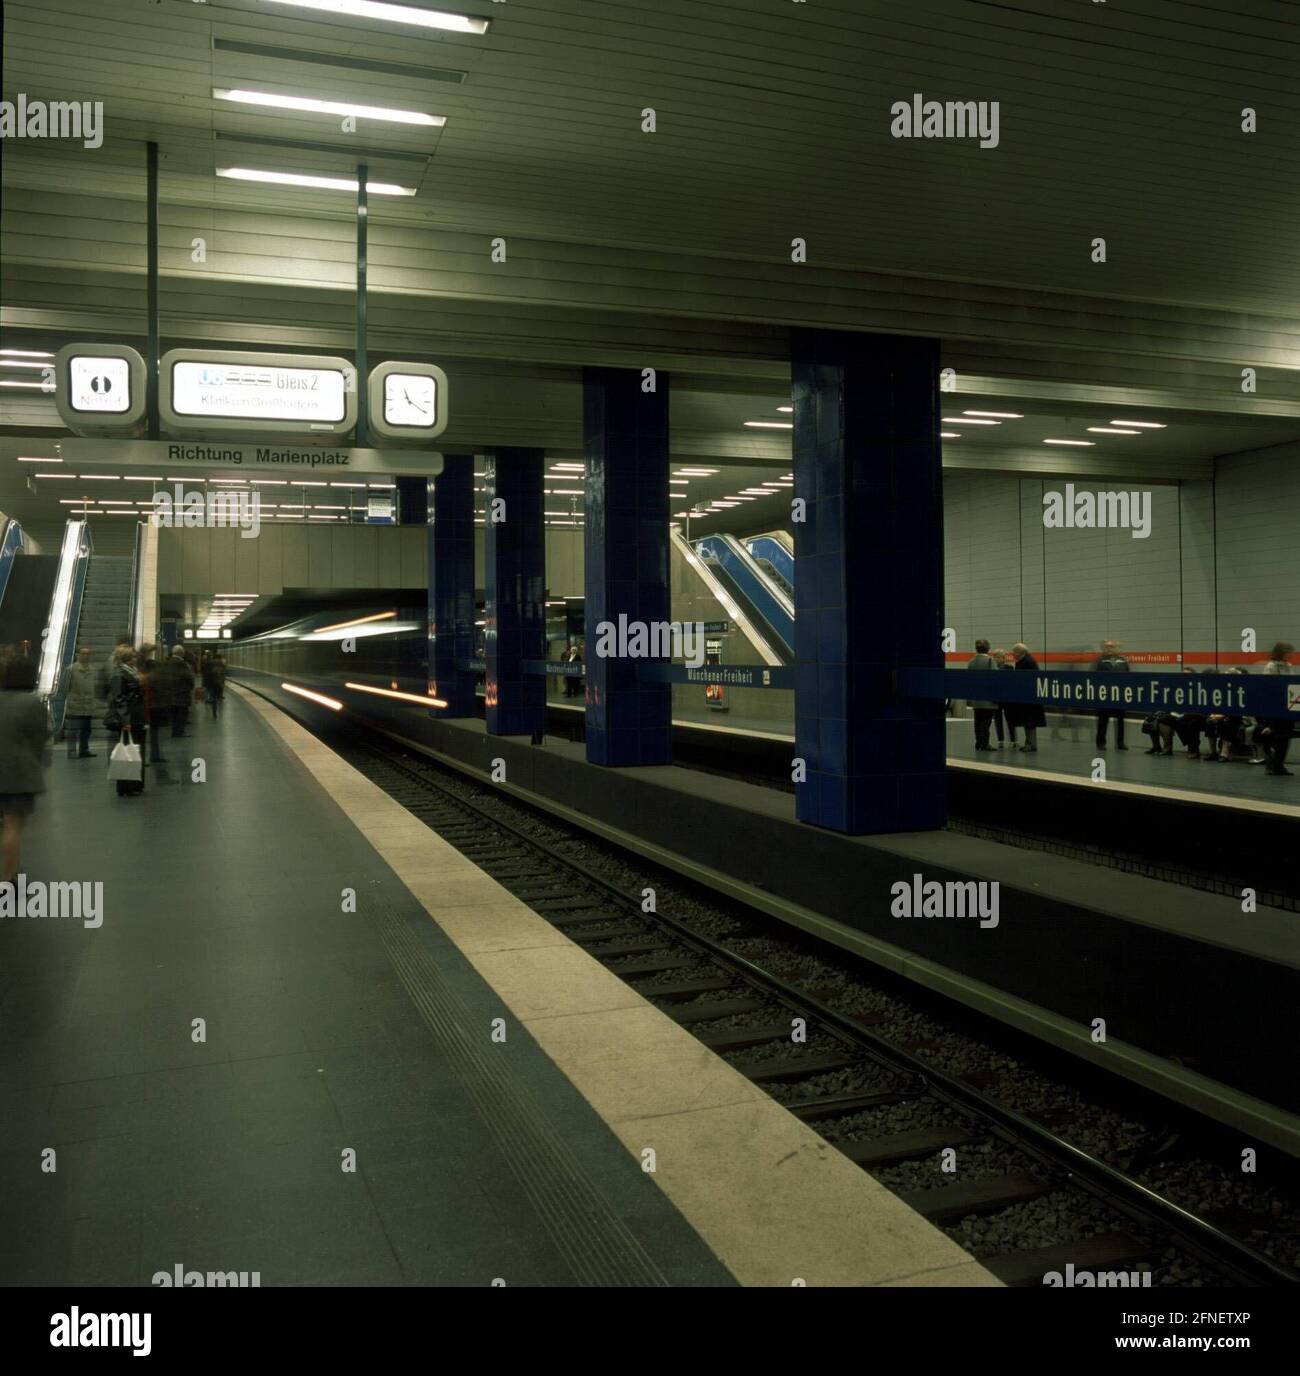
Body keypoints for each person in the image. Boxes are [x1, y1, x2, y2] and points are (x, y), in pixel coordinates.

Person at [0, 656, 50, 882]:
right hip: (17, 773)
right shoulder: (32, 704)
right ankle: (7, 877)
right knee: (12, 826)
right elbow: (40, 738)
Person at [104, 645, 147, 796]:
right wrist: (125, 720)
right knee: (128, 753)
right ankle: (126, 786)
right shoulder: (119, 674)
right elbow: (119, 699)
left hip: (136, 716)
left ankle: (135, 784)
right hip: (128, 718)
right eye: (133, 657)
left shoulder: (131, 672)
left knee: (134, 751)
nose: (135, 659)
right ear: (126, 658)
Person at [1256, 641, 1295, 777]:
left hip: (1288, 705)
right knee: (1276, 737)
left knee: (1285, 737)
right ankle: (1271, 765)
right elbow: (1268, 686)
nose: (1289, 655)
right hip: (1275, 705)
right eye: (1287, 652)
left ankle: (1280, 764)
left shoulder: (1289, 666)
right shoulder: (1271, 666)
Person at [60, 646, 100, 759]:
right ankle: (72, 751)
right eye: (83, 653)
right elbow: (64, 687)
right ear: (78, 655)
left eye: (88, 654)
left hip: (88, 706)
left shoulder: (92, 670)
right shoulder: (70, 669)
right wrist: (71, 698)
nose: (85, 656)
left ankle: (84, 749)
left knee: (86, 730)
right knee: (73, 731)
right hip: (75, 705)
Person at [1092, 640, 1130, 749]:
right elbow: (1092, 677)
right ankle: (1101, 742)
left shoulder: (1123, 661)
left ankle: (1120, 743)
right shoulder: (1099, 661)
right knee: (1103, 721)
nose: (1109, 649)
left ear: (1116, 648)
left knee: (1120, 721)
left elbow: (1129, 677)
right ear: (1103, 648)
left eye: (1112, 647)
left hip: (1119, 696)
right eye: (1107, 647)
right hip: (1104, 696)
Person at [1010, 643, 1045, 752]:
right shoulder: (1027, 660)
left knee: (1029, 721)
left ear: (1020, 652)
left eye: (1014, 652)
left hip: (1028, 698)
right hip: (1029, 697)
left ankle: (1030, 744)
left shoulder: (1027, 662)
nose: (1013, 654)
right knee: (1029, 722)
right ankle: (1029, 743)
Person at [966, 639, 998, 751]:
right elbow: (995, 679)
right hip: (988, 698)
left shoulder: (971, 662)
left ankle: (978, 742)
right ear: (988, 648)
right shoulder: (990, 661)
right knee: (986, 722)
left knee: (978, 721)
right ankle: (985, 743)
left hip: (976, 698)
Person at [164, 645, 195, 737]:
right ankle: (180, 732)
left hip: (169, 693)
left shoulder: (166, 663)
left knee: (173, 715)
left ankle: (174, 731)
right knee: (182, 714)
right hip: (182, 693)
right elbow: (188, 677)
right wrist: (190, 686)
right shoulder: (182, 663)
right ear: (182, 653)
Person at [992, 648, 1016, 747]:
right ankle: (1000, 740)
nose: (997, 659)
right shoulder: (992, 669)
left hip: (1007, 698)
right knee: (998, 719)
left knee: (1010, 719)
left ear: (1003, 658)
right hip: (997, 698)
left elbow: (1012, 682)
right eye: (995, 657)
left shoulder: (1010, 668)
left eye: (999, 657)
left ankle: (1013, 740)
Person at [202, 651, 226, 719]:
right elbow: (223, 675)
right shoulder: (222, 664)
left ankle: (214, 710)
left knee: (213, 697)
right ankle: (215, 711)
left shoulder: (208, 663)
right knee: (216, 697)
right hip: (218, 683)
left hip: (210, 683)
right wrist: (222, 683)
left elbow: (205, 674)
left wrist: (204, 684)